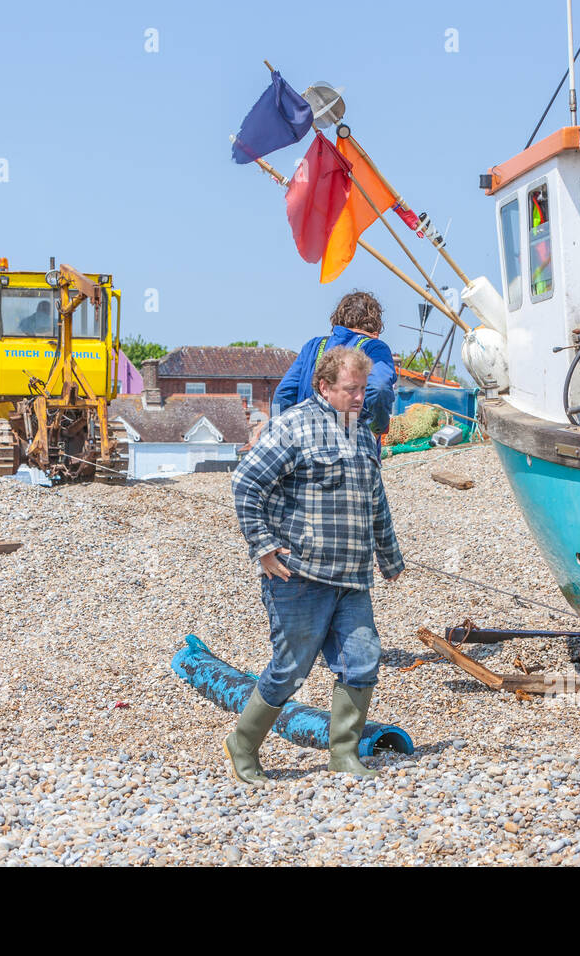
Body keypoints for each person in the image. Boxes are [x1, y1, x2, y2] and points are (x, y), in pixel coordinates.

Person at [227, 346, 404, 786]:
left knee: (362, 659)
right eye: (351, 389)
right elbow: (246, 482)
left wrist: (390, 558)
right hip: (298, 576)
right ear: (324, 387)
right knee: (290, 670)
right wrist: (263, 547)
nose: (360, 397)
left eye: (363, 389)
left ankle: (343, 754)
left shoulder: (362, 433)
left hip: (353, 578)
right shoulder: (293, 427)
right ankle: (242, 745)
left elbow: (376, 500)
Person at [272, 290, 398, 436]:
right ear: (375, 323)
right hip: (351, 441)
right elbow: (379, 388)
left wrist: (280, 434)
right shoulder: (374, 348)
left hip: (308, 438)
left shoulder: (314, 346)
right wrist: (378, 426)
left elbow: (283, 394)